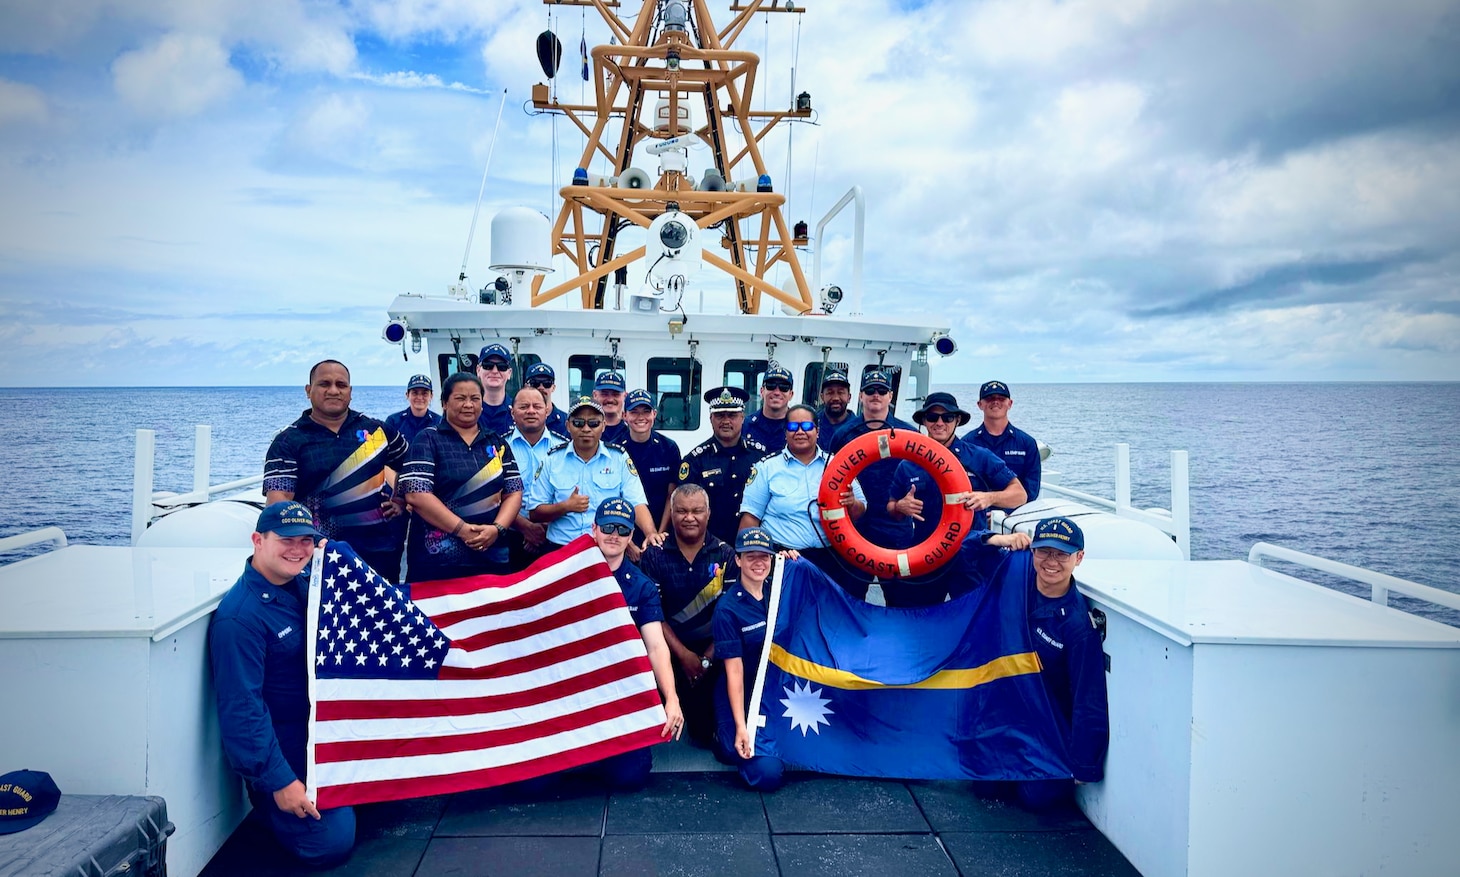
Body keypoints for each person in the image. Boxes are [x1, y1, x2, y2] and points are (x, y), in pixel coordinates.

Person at [210, 502, 354, 867]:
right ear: (258, 540)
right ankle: (273, 814)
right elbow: (243, 709)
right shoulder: (240, 619)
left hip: (321, 722)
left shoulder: (308, 582)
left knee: (392, 793)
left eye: (306, 540)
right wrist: (280, 782)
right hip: (283, 740)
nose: (298, 549)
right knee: (329, 844)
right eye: (286, 540)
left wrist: (334, 555)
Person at [968, 518, 1108, 810]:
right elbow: (961, 554)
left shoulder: (1078, 625)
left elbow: (1088, 697)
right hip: (1001, 712)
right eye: (1044, 551)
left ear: (1078, 558)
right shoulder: (1011, 577)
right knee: (983, 786)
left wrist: (1084, 765)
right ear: (1032, 551)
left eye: (1062, 554)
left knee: (1040, 798)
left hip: (1045, 723)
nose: (1051, 562)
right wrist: (995, 539)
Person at [263, 360, 410, 581]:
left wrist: (399, 499)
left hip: (381, 554)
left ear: (350, 392)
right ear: (308, 390)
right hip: (319, 557)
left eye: (341, 384)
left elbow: (412, 466)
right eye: (324, 384)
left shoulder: (377, 430)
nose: (333, 390)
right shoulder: (289, 441)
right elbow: (279, 501)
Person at [884, 391, 1027, 606]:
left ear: (957, 420)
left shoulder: (979, 457)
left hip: (970, 557)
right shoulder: (908, 464)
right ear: (924, 421)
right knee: (923, 618)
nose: (939, 423)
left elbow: (1020, 495)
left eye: (947, 417)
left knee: (974, 619)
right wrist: (900, 507)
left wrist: (989, 498)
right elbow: (891, 507)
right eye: (932, 417)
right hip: (926, 557)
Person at [585, 498, 686, 789]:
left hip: (620, 692)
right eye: (607, 527)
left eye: (622, 529)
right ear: (594, 529)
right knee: (533, 786)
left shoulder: (640, 586)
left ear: (631, 536)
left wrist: (672, 698)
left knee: (631, 777)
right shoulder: (569, 572)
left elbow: (656, 647)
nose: (613, 535)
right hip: (578, 688)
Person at [398, 372, 523, 581]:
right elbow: (417, 494)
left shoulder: (497, 443)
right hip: (437, 563)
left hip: (491, 558)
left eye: (475, 399)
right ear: (444, 403)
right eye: (460, 398)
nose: (468, 404)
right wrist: (462, 530)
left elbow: (514, 491)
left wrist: (497, 529)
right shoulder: (428, 439)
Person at [737, 404, 870, 598]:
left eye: (807, 426)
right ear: (785, 433)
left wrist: (852, 503)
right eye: (793, 427)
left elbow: (861, 510)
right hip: (786, 559)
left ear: (817, 431)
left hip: (831, 558)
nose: (800, 432)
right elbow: (750, 521)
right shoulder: (766, 468)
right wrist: (746, 564)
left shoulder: (837, 465)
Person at [638, 484, 735, 747]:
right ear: (671, 512)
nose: (689, 517)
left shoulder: (726, 554)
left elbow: (730, 618)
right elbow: (652, 615)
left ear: (708, 513)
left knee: (703, 735)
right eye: (681, 511)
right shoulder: (654, 555)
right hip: (668, 652)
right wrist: (683, 656)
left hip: (713, 652)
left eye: (696, 511)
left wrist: (704, 660)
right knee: (659, 735)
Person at [524, 396, 662, 550]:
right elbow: (534, 513)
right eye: (578, 423)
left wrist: (650, 532)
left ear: (603, 426)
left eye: (593, 423)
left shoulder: (618, 458)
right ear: (568, 426)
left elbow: (636, 502)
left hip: (604, 549)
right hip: (561, 548)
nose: (586, 429)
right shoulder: (552, 459)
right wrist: (565, 506)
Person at [826, 370, 918, 594]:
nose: (875, 395)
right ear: (860, 396)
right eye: (869, 390)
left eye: (881, 390)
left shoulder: (909, 433)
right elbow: (830, 480)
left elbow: (922, 477)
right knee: (852, 597)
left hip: (896, 527)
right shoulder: (843, 435)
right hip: (856, 528)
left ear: (890, 396)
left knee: (900, 598)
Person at [711, 527, 785, 791]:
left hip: (774, 689)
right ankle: (723, 731)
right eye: (750, 556)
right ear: (738, 560)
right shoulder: (727, 609)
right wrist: (742, 727)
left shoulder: (781, 593)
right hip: (741, 689)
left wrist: (798, 564)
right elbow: (735, 673)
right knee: (765, 773)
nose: (758, 563)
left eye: (764, 556)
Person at [678, 386, 770, 546]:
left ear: (742, 417)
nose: (726, 421)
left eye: (732, 415)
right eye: (720, 415)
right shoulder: (695, 460)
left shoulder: (760, 456)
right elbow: (684, 506)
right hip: (709, 546)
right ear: (711, 418)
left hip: (752, 545)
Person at [614, 389, 683, 534]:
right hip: (623, 531)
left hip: (661, 527)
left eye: (646, 411)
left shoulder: (669, 448)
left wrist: (658, 535)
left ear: (654, 414)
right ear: (624, 415)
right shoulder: (614, 449)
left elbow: (672, 495)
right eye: (634, 412)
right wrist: (628, 542)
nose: (641, 417)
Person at [505, 385, 557, 566]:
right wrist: (525, 527)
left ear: (547, 410)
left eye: (537, 406)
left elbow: (570, 492)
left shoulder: (565, 448)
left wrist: (544, 529)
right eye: (524, 406)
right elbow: (492, 496)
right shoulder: (498, 447)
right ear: (512, 413)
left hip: (553, 536)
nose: (531, 411)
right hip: (510, 535)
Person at [967, 380, 1042, 504]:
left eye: (1001, 398)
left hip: (1014, 517)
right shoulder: (967, 443)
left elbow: (1031, 489)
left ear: (1010, 403)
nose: (995, 402)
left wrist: (1006, 515)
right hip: (977, 514)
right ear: (980, 404)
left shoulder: (1027, 443)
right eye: (989, 398)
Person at [742, 362, 794, 453]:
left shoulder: (799, 428)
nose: (777, 392)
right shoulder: (745, 425)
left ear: (791, 394)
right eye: (771, 386)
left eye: (784, 387)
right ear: (762, 391)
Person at [383, 374, 442, 444]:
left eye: (424, 393)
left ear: (431, 396)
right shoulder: (393, 421)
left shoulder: (440, 422)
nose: (420, 397)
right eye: (415, 393)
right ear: (407, 395)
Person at [474, 343, 515, 435]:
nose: (495, 371)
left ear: (509, 373)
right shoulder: (468, 410)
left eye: (502, 367)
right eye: (488, 365)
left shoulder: (519, 411)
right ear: (478, 370)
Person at [524, 362, 569, 438]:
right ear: (526, 386)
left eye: (546, 383)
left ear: (553, 387)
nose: (541, 387)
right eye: (535, 383)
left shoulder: (566, 421)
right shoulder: (518, 418)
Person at [814, 368, 853, 452]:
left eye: (841, 392)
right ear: (822, 397)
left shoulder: (859, 427)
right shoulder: (811, 424)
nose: (835, 398)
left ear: (849, 397)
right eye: (830, 393)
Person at [593, 371, 630, 446]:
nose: (610, 399)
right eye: (604, 394)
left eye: (616, 394)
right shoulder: (583, 431)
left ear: (625, 396)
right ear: (595, 395)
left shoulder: (633, 434)